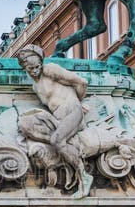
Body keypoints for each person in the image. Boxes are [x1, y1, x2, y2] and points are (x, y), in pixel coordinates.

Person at [16, 44, 91, 193]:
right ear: (25, 69)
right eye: (31, 69)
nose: (35, 71)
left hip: (71, 110)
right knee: (24, 124)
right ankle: (66, 149)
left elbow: (81, 82)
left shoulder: (50, 69)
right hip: (56, 117)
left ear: (41, 63)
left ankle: (84, 175)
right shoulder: (35, 87)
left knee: (56, 139)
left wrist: (77, 103)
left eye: (37, 66)